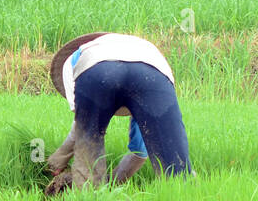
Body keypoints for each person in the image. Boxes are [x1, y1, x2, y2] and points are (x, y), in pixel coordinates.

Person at [44, 32, 192, 192]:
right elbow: (139, 152)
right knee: (178, 170)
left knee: (89, 146)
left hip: (98, 70)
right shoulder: (144, 50)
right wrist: (113, 185)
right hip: (154, 74)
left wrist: (57, 160)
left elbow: (82, 127)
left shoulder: (73, 60)